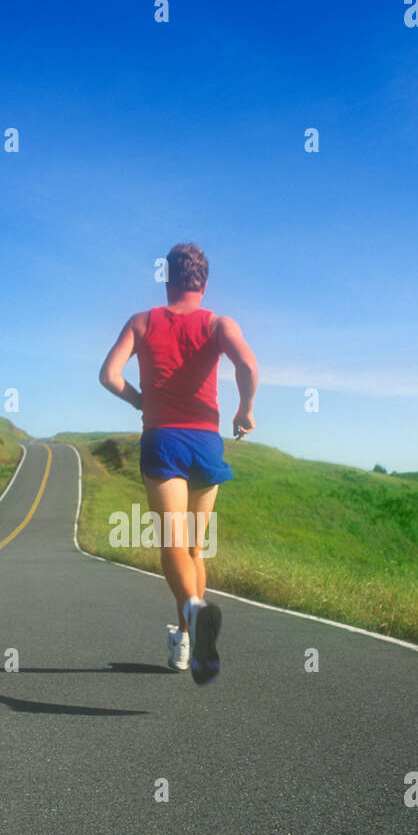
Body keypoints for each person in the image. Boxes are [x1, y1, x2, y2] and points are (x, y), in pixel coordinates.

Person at [98, 243, 258, 685]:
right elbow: (246, 361)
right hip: (207, 442)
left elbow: (109, 375)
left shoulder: (143, 321)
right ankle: (186, 640)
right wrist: (244, 410)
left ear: (166, 278)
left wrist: (139, 400)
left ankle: (193, 613)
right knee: (194, 548)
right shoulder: (219, 323)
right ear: (203, 283)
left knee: (171, 539)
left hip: (164, 439)